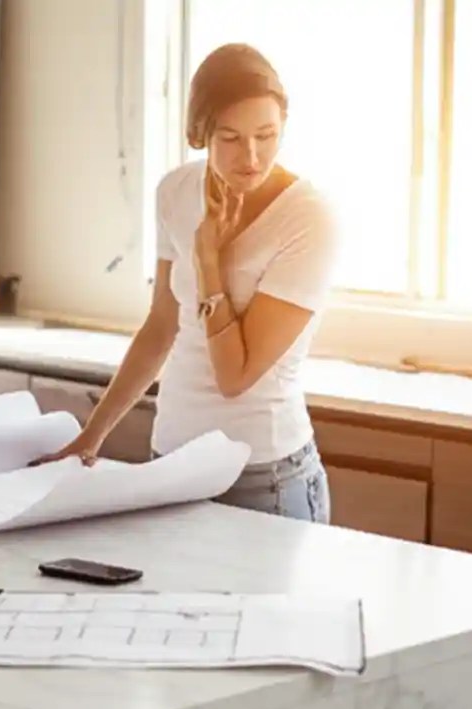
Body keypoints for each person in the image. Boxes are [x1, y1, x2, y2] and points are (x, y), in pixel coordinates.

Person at [37, 43, 340, 523]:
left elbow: (235, 376)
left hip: (262, 478)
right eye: (230, 137)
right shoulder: (175, 192)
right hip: (170, 463)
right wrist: (91, 437)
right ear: (200, 133)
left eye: (266, 135)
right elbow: (161, 326)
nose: (252, 156)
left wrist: (207, 260)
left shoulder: (308, 218)